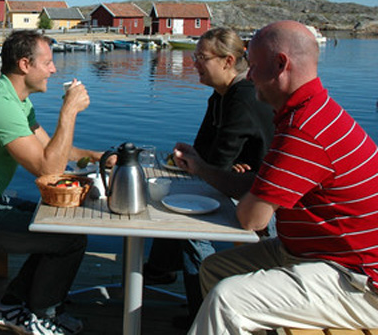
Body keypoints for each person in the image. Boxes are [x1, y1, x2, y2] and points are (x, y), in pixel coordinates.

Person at [183, 21, 378, 335]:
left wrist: (255, 189)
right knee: (214, 268)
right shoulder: (305, 113)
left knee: (228, 300)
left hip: (357, 278)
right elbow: (256, 189)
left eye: (254, 66)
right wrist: (210, 171)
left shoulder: (307, 129)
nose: (249, 76)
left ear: (281, 65)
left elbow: (252, 219)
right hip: (309, 253)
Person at [0, 30, 103, 335]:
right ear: (25, 65)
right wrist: (69, 111)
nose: (54, 69)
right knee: (68, 239)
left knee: (55, 218)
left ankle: (10, 304)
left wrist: (97, 157)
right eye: (48, 63)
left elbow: (51, 149)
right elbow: (48, 170)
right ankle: (42, 315)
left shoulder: (16, 102)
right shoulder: (0, 105)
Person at [143, 27, 274, 325]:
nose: (195, 64)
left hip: (264, 202)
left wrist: (212, 164)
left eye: (202, 58)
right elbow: (205, 152)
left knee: (189, 227)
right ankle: (165, 270)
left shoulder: (243, 96)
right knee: (175, 197)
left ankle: (201, 315)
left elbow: (215, 161)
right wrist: (209, 163)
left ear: (228, 61)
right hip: (236, 186)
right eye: (195, 57)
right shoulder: (221, 95)